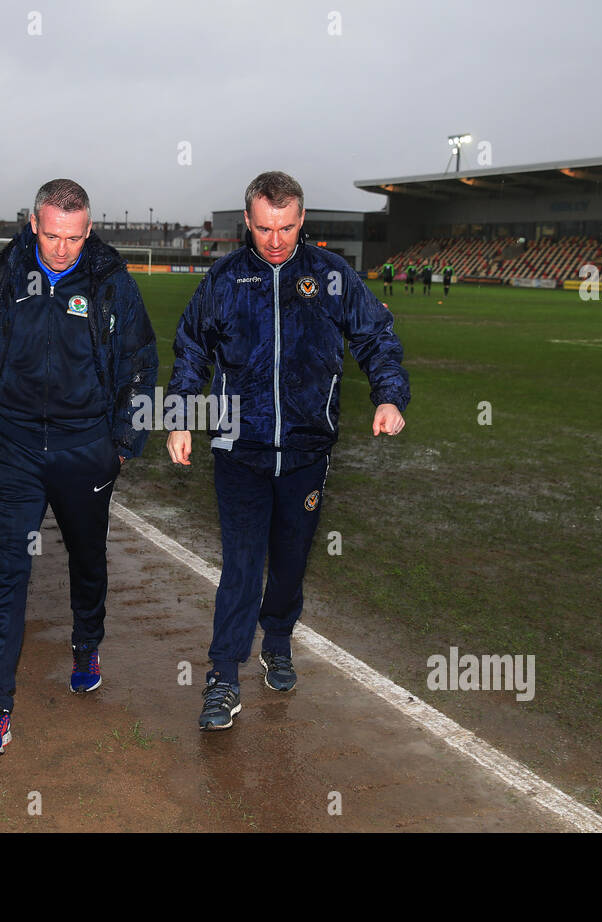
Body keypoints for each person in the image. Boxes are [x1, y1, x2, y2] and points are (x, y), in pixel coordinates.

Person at [166, 171, 410, 731]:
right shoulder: (224, 280)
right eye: (263, 227)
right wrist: (179, 418)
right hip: (239, 448)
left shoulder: (330, 276)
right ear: (246, 220)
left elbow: (375, 336)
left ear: (303, 221)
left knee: (291, 564)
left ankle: (277, 639)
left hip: (306, 450)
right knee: (242, 567)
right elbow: (189, 353)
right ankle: (222, 678)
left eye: (287, 227)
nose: (275, 239)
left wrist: (389, 396)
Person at [0, 178, 158, 755]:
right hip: (10, 453)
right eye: (51, 235)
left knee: (87, 560)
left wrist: (120, 445)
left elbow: (141, 363)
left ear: (87, 230)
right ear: (33, 224)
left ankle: (87, 642)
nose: (61, 248)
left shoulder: (112, 284)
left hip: (85, 450)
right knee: (5, 580)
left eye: (73, 237)